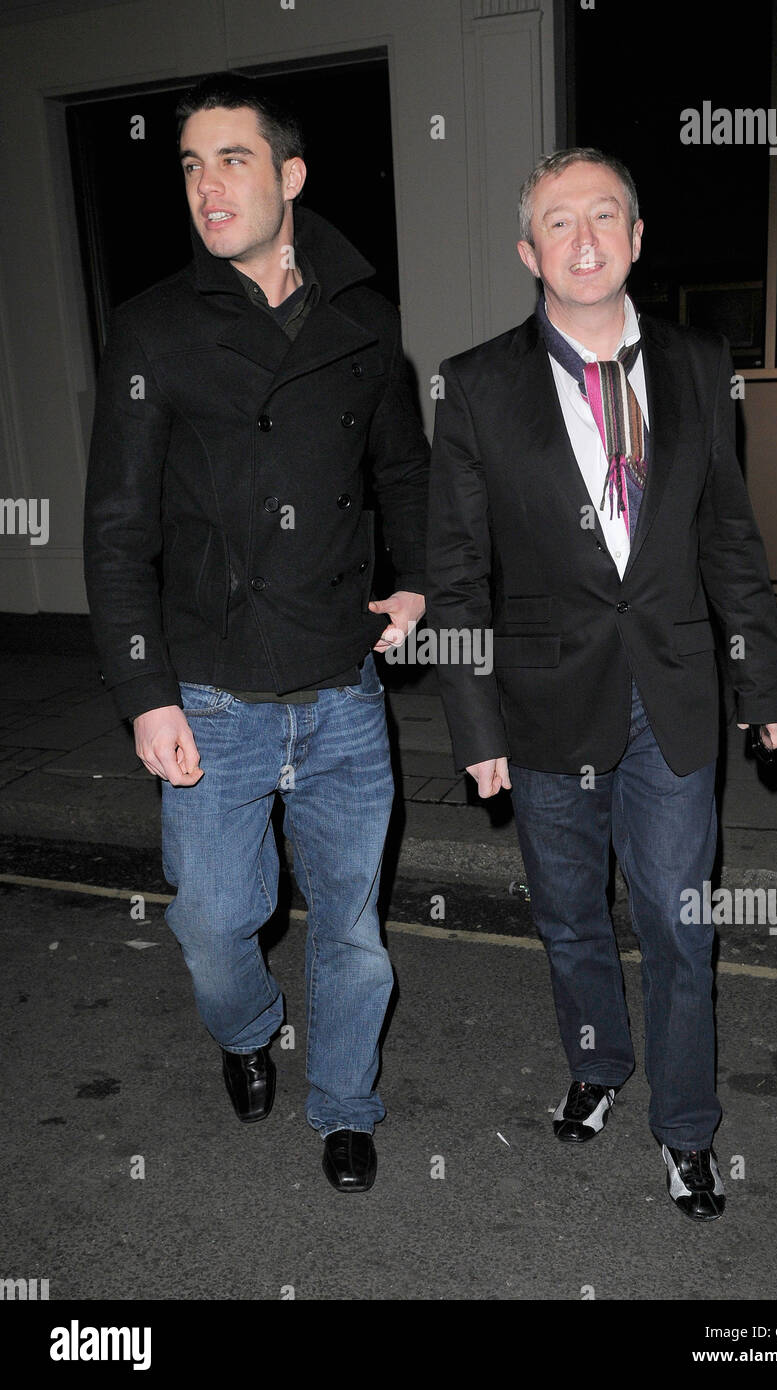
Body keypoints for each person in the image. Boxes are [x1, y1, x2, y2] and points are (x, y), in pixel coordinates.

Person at [426, 148, 777, 1221]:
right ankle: (598, 1060)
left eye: (603, 218)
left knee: (679, 924)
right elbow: (454, 571)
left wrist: (759, 679)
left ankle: (685, 1129)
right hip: (541, 704)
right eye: (557, 223)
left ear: (633, 238)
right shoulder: (477, 384)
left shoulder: (697, 362)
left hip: (672, 693)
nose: (582, 239)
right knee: (570, 913)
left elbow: (729, 535)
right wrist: (472, 719)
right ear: (527, 251)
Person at [83, 72, 429, 1193]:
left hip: (338, 692)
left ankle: (344, 1101)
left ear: (289, 176)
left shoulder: (365, 323)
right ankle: (246, 1034)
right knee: (214, 925)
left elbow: (403, 476)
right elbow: (116, 530)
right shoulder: (153, 328)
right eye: (188, 164)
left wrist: (418, 587)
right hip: (217, 696)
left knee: (355, 931)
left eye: (231, 158)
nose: (205, 185)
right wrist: (145, 694)